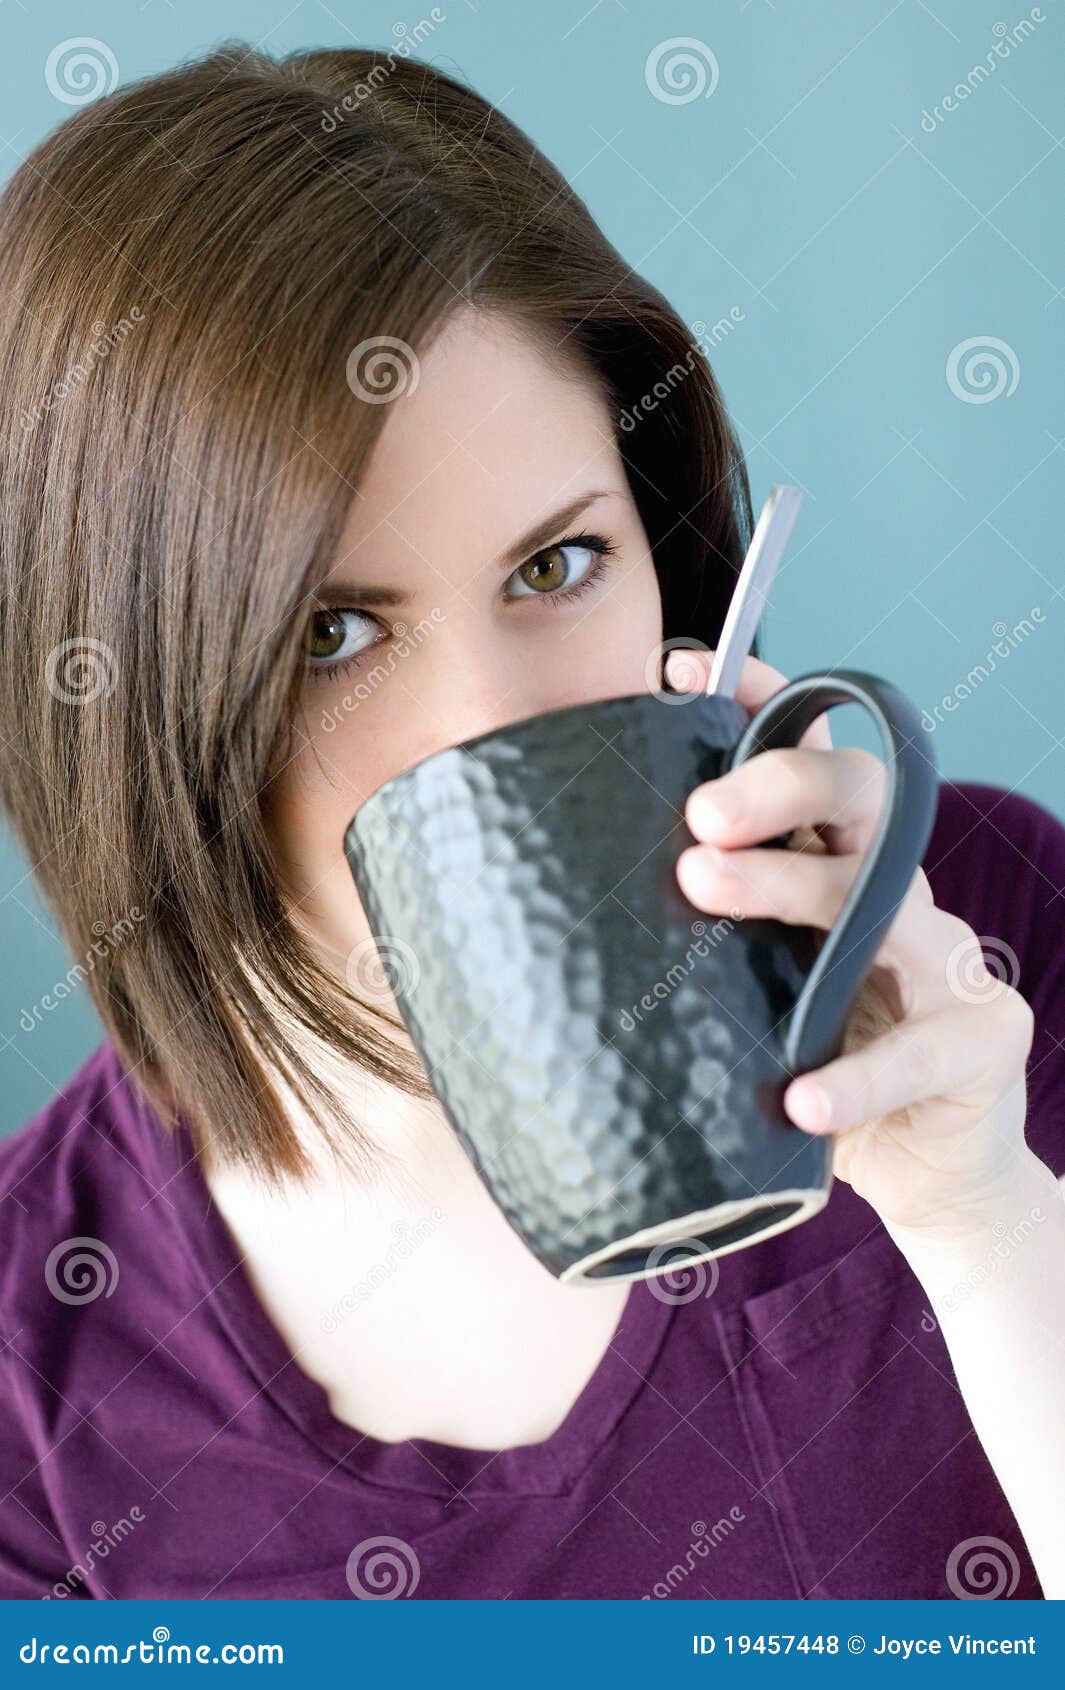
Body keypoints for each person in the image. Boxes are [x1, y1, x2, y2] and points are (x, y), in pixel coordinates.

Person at [0, 43, 1062, 1603]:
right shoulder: (42, 1360)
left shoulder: (979, 948)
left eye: (555, 567)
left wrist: (986, 1219)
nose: (492, 725)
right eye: (328, 637)